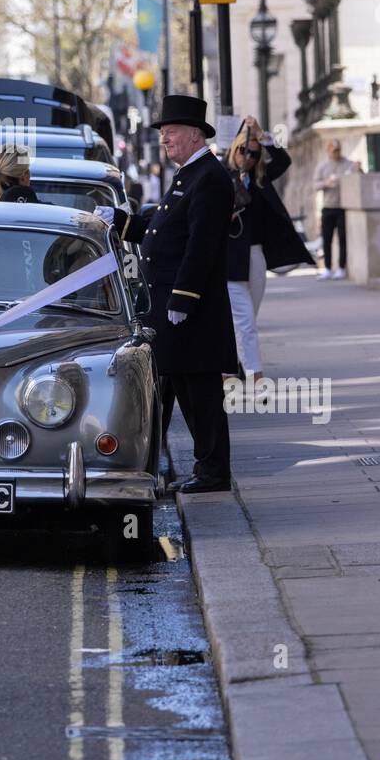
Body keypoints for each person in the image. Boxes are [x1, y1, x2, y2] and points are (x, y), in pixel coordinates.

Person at [112, 95, 237, 494]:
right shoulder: (189, 175)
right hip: (170, 308)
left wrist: (183, 298)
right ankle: (186, 465)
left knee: (199, 391)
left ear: (195, 134)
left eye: (171, 132)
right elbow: (161, 230)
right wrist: (120, 223)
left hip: (190, 311)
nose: (164, 139)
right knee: (177, 387)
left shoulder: (210, 178)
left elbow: (200, 245)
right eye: (163, 132)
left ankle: (213, 471)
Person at [224, 116, 314, 378]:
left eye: (253, 153)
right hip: (230, 259)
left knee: (249, 316)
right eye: (243, 150)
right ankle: (253, 374)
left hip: (255, 254)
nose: (248, 157)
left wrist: (263, 137)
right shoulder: (222, 174)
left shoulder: (260, 178)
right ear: (234, 148)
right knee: (245, 321)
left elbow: (284, 161)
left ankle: (233, 365)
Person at [313, 137, 360, 279]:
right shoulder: (322, 167)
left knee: (342, 239)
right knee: (326, 239)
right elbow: (315, 185)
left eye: (338, 150)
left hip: (342, 207)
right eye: (333, 151)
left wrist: (359, 168)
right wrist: (326, 183)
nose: (336, 153)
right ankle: (327, 268)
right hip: (328, 207)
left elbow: (357, 177)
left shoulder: (348, 164)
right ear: (328, 151)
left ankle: (341, 267)